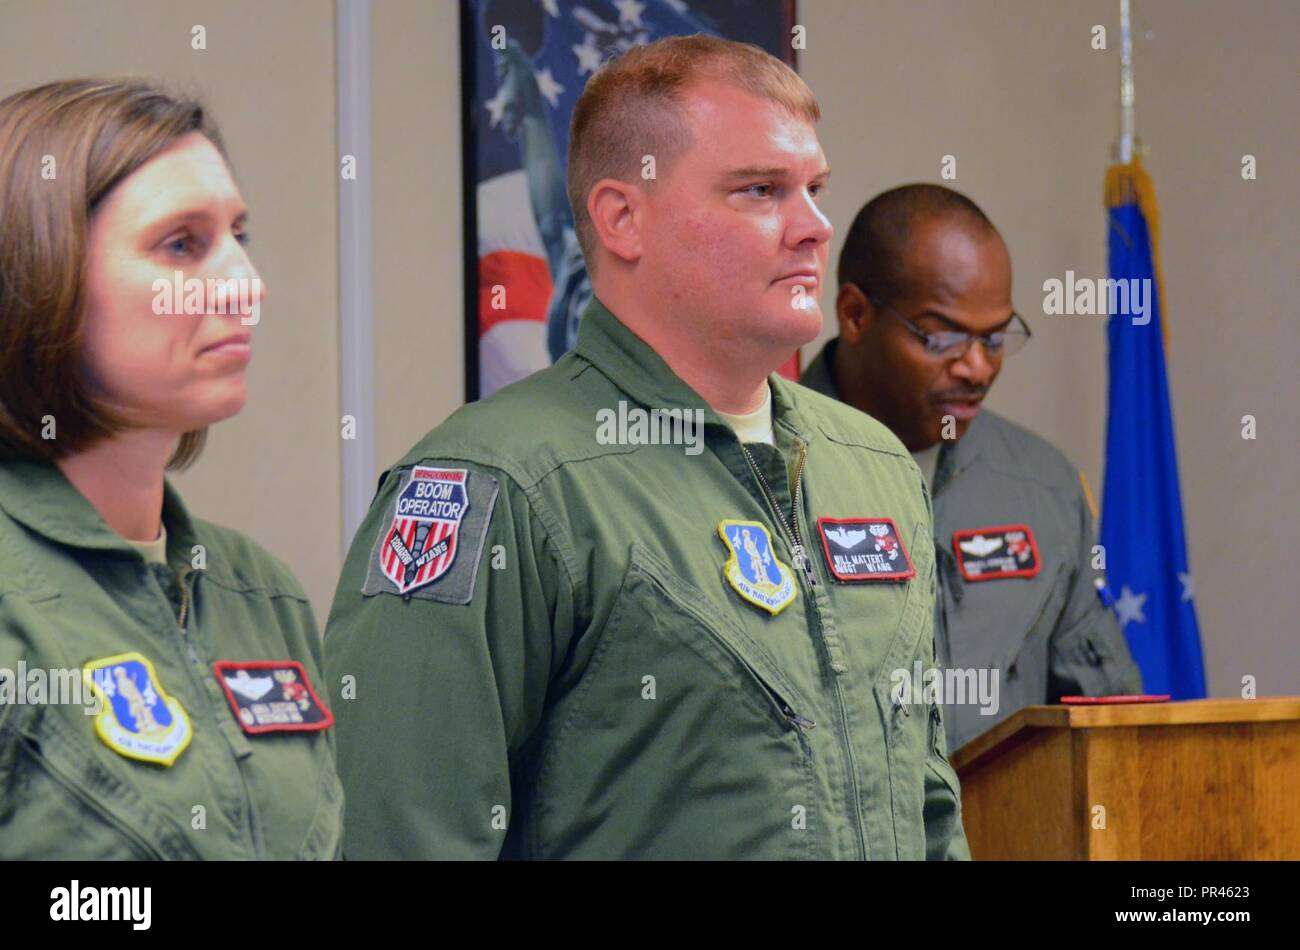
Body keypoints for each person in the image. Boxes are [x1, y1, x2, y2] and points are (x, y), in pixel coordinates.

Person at [325, 36, 968, 860]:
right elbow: (402, 836)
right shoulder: (495, 486)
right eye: (761, 191)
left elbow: (927, 806)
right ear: (622, 218)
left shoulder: (873, 465)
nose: (814, 228)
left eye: (815, 190)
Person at [0, 79, 342, 859]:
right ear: (38, 272)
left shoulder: (260, 590)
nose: (246, 288)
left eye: (238, 239)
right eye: (182, 244)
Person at [801, 184, 1143, 752]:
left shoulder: (1041, 484)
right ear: (855, 314)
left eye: (994, 337)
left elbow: (1105, 723)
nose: (977, 368)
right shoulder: (763, 470)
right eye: (944, 337)